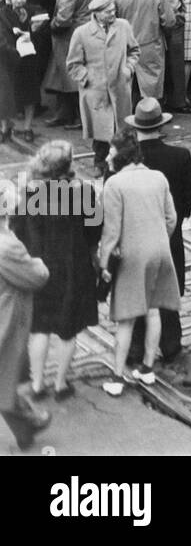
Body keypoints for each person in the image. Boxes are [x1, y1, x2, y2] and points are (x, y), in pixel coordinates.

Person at [12, 141, 98, 405]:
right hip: (73, 269)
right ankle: (60, 384)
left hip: (38, 269)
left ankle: (37, 384)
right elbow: (94, 230)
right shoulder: (82, 192)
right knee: (67, 329)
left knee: (39, 328)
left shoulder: (29, 193)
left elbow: (16, 230)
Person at [98, 128, 181, 395]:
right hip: (159, 250)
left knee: (126, 318)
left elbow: (111, 231)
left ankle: (117, 377)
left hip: (132, 256)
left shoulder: (114, 184)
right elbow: (171, 219)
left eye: (111, 151)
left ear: (120, 155)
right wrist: (157, 238)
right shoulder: (158, 177)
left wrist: (103, 264)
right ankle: (147, 369)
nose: (107, 156)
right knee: (153, 309)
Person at [125, 98, 191, 369]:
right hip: (169, 236)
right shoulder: (180, 156)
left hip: (134, 238)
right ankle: (170, 344)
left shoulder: (123, 162)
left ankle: (135, 347)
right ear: (161, 125)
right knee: (168, 292)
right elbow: (190, 196)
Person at [0, 178, 51, 450]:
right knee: (5, 375)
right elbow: (37, 276)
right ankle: (26, 423)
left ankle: (27, 424)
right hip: (6, 319)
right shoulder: (7, 246)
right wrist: (40, 263)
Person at [66, 0, 140, 177]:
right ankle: (100, 163)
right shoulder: (81, 33)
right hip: (95, 91)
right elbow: (73, 64)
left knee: (121, 130)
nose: (112, 14)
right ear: (97, 14)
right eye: (108, 12)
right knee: (100, 132)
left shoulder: (123, 26)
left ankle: (123, 163)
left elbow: (134, 50)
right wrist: (87, 77)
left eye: (114, 10)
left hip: (120, 87)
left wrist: (128, 69)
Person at [44, 0, 99, 130]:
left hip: (69, 36)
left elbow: (63, 20)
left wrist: (48, 26)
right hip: (87, 31)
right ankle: (65, 114)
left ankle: (78, 117)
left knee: (71, 77)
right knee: (64, 76)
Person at [110, 0, 175, 103]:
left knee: (127, 82)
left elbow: (112, 19)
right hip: (152, 43)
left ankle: (129, 115)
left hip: (125, 44)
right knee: (152, 84)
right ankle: (150, 116)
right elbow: (169, 22)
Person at [0, 0, 50, 142]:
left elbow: (45, 33)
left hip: (29, 59)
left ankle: (28, 127)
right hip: (9, 60)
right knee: (6, 96)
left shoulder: (35, 11)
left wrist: (33, 35)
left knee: (30, 95)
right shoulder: (3, 14)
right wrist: (13, 50)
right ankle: (5, 127)